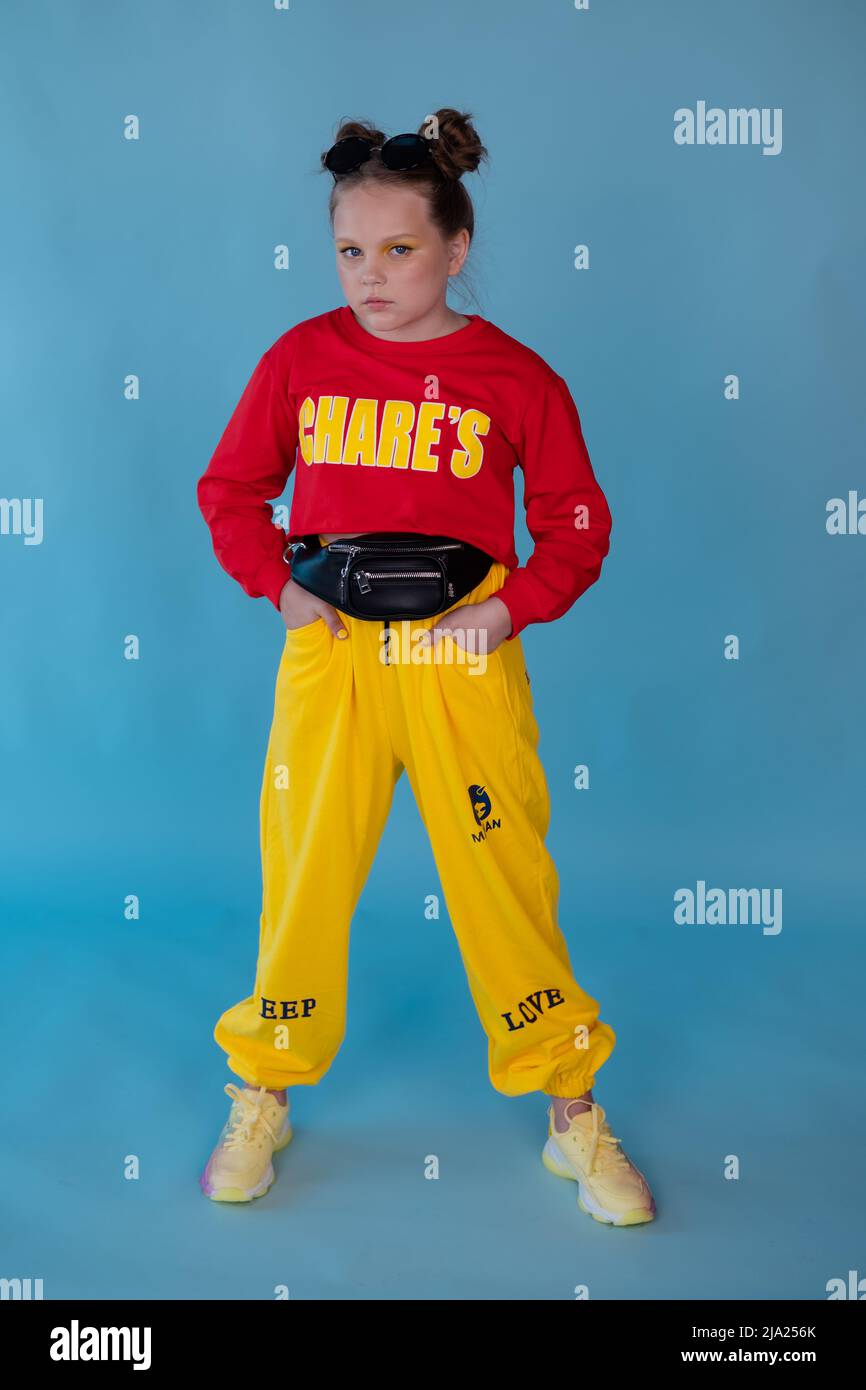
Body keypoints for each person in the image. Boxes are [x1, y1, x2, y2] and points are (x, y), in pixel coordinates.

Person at [195, 109, 656, 1226]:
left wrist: (510, 613)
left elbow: (576, 522)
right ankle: (263, 1087)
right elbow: (230, 490)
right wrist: (279, 585)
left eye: (398, 250)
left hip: (458, 658)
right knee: (302, 869)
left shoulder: (513, 376)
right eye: (350, 251)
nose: (371, 276)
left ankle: (570, 1111)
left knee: (502, 883)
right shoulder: (302, 359)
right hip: (337, 658)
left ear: (455, 246)